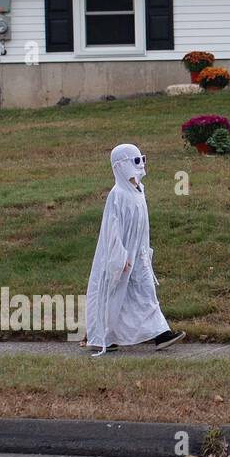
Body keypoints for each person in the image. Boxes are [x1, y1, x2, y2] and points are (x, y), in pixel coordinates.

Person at [84, 144, 185, 357]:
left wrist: (143, 252)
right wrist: (120, 257)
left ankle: (161, 334)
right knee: (114, 295)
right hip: (122, 257)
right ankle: (103, 337)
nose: (141, 165)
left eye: (142, 159)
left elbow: (142, 226)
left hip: (138, 255)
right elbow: (112, 229)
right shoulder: (118, 195)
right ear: (122, 166)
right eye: (136, 161)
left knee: (145, 292)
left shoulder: (139, 191)